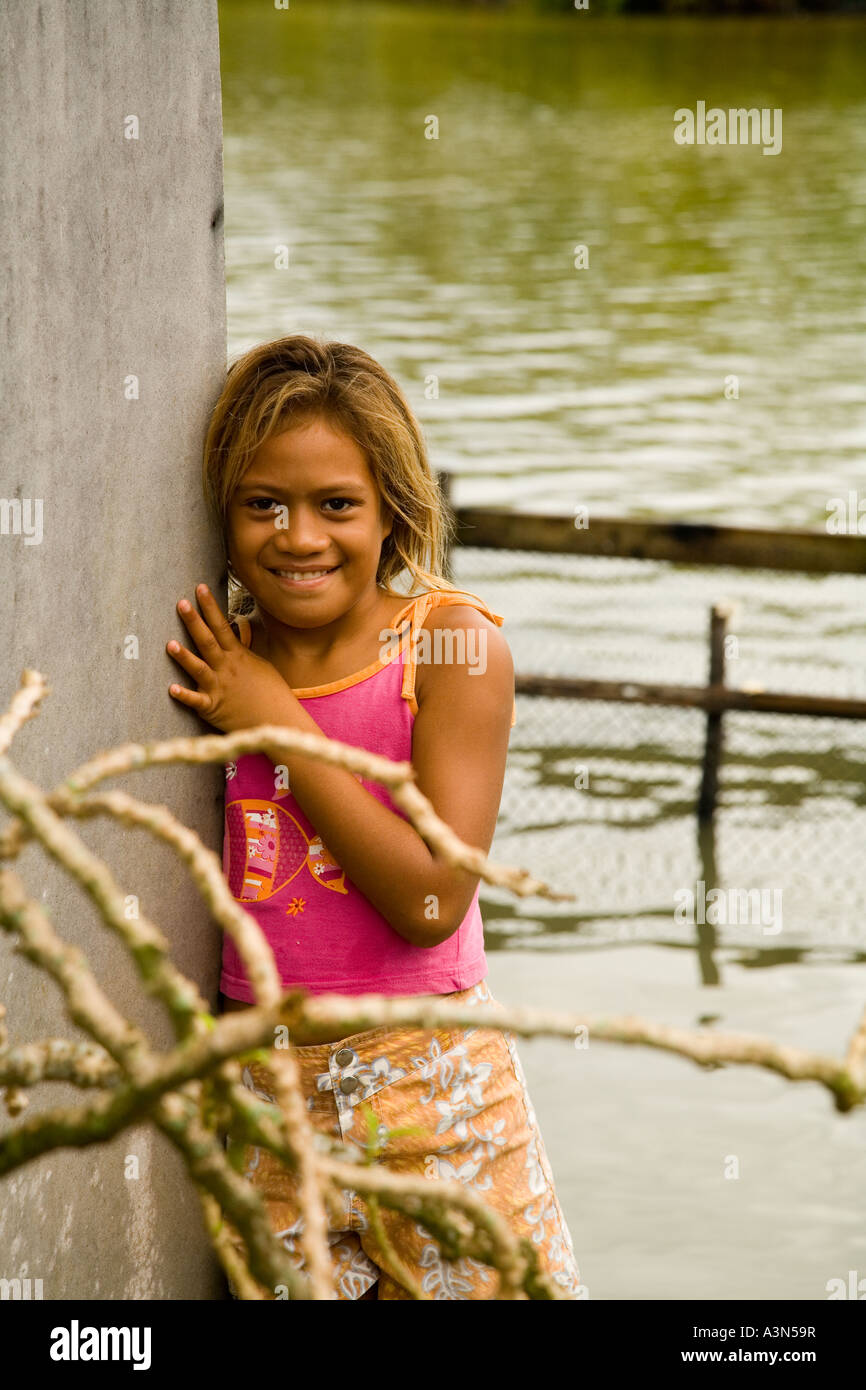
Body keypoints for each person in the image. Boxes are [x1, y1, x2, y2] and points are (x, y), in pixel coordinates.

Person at [166, 334, 581, 1301]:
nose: (298, 536)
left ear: (393, 510)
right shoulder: (223, 657)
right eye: (262, 503)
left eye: (336, 505)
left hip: (434, 1081)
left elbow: (433, 902)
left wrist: (275, 722)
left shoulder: (447, 646)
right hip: (269, 1094)